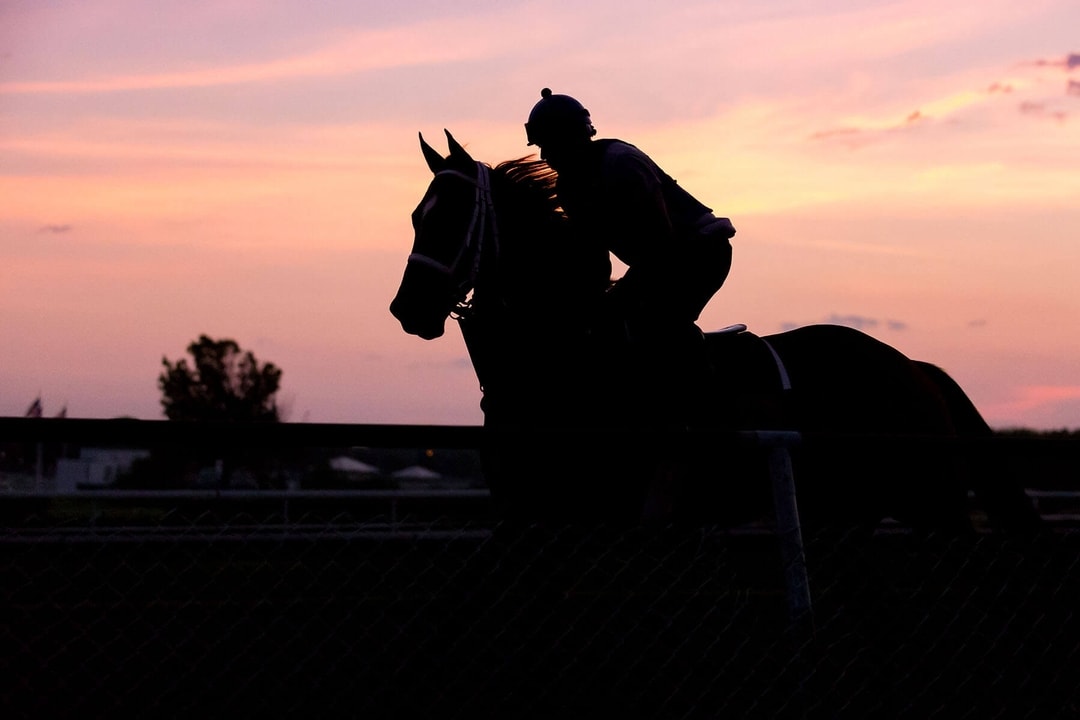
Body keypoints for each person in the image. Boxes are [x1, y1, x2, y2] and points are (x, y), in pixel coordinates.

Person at [524, 88, 736, 425]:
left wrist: (618, 295)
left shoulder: (622, 163)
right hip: (659, 261)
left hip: (700, 255)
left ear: (572, 138)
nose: (544, 157)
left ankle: (700, 410)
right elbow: (594, 255)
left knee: (661, 324)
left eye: (548, 145)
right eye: (540, 147)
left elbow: (661, 246)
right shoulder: (569, 186)